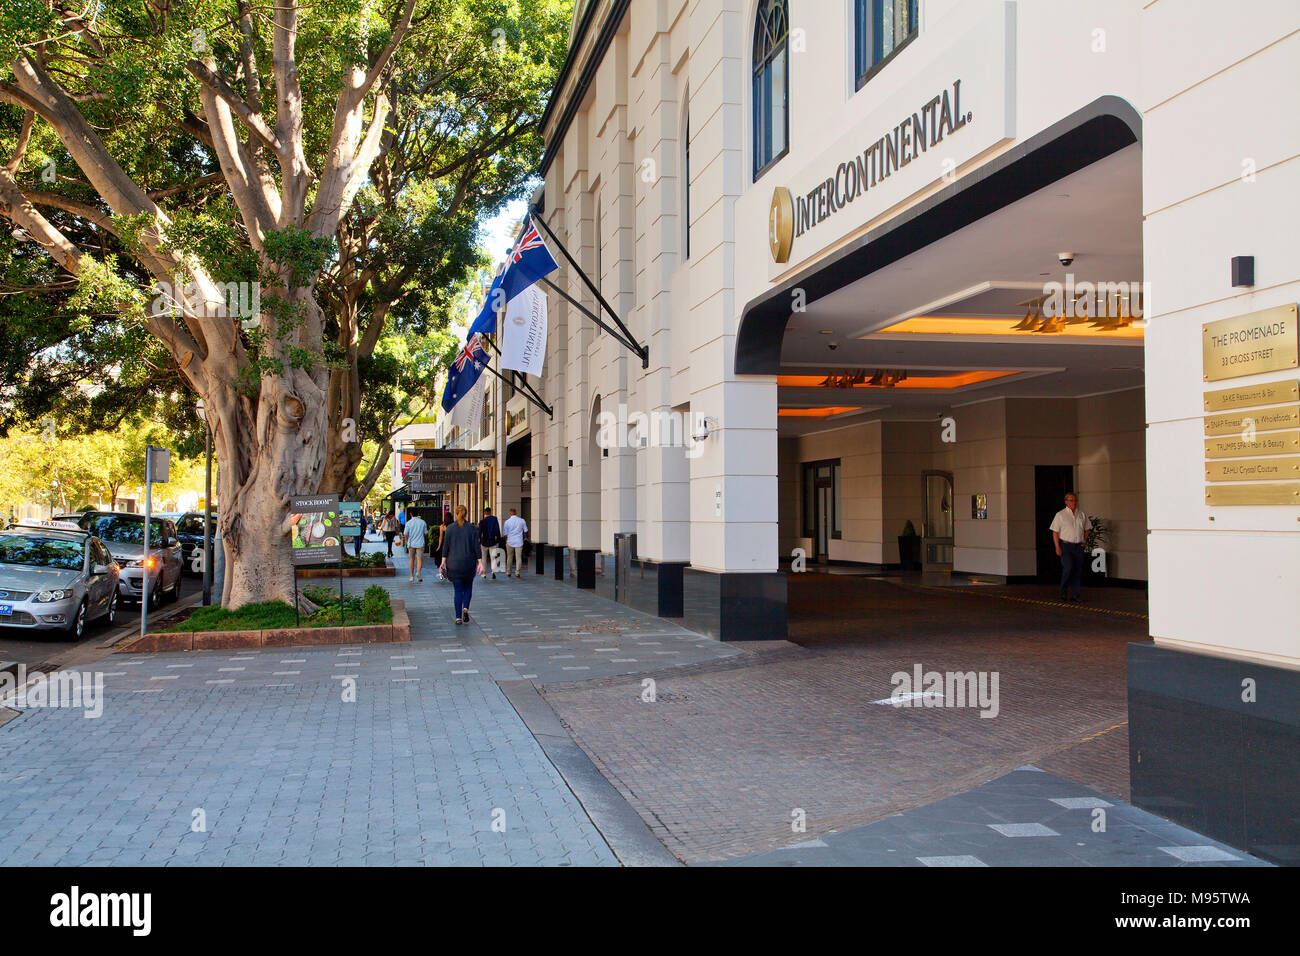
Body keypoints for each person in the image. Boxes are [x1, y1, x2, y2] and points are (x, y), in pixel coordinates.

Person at [440, 505, 483, 624]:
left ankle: (458, 617)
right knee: (468, 586)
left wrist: (442, 563)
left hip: (453, 564)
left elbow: (446, 547)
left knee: (458, 590)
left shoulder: (449, 528)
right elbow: (476, 547)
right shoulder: (472, 528)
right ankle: (466, 608)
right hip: (469, 563)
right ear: (466, 514)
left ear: (456, 513)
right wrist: (480, 562)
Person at [1049, 491, 1089, 603]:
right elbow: (1055, 532)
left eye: (1075, 500)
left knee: (1077, 570)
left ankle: (1075, 595)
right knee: (1068, 568)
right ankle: (1063, 592)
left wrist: (1084, 540)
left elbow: (1087, 528)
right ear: (1066, 502)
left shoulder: (1081, 514)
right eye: (1071, 500)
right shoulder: (1060, 515)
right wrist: (1057, 547)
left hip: (1078, 546)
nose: (1074, 503)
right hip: (1066, 545)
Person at [403, 510, 429, 582]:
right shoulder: (423, 522)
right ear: (418, 514)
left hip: (411, 543)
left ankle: (411, 576)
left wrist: (407, 542)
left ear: (411, 514)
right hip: (420, 543)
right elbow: (425, 533)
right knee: (419, 559)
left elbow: (405, 534)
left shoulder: (408, 523)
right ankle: (418, 573)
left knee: (411, 559)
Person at [502, 508, 527, 579]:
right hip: (519, 541)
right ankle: (517, 572)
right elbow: (525, 530)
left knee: (509, 557)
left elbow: (505, 534)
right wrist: (525, 537)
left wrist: (506, 540)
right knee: (518, 557)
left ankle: (508, 572)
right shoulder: (522, 520)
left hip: (510, 541)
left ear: (510, 513)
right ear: (516, 513)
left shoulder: (507, 522)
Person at [477, 506, 502, 580]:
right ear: (490, 512)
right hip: (492, 542)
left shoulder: (482, 521)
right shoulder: (494, 519)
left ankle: (484, 573)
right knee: (493, 557)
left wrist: (479, 541)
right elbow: (497, 530)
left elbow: (479, 533)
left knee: (483, 558)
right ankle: (493, 571)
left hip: (484, 542)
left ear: (485, 513)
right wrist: (498, 540)